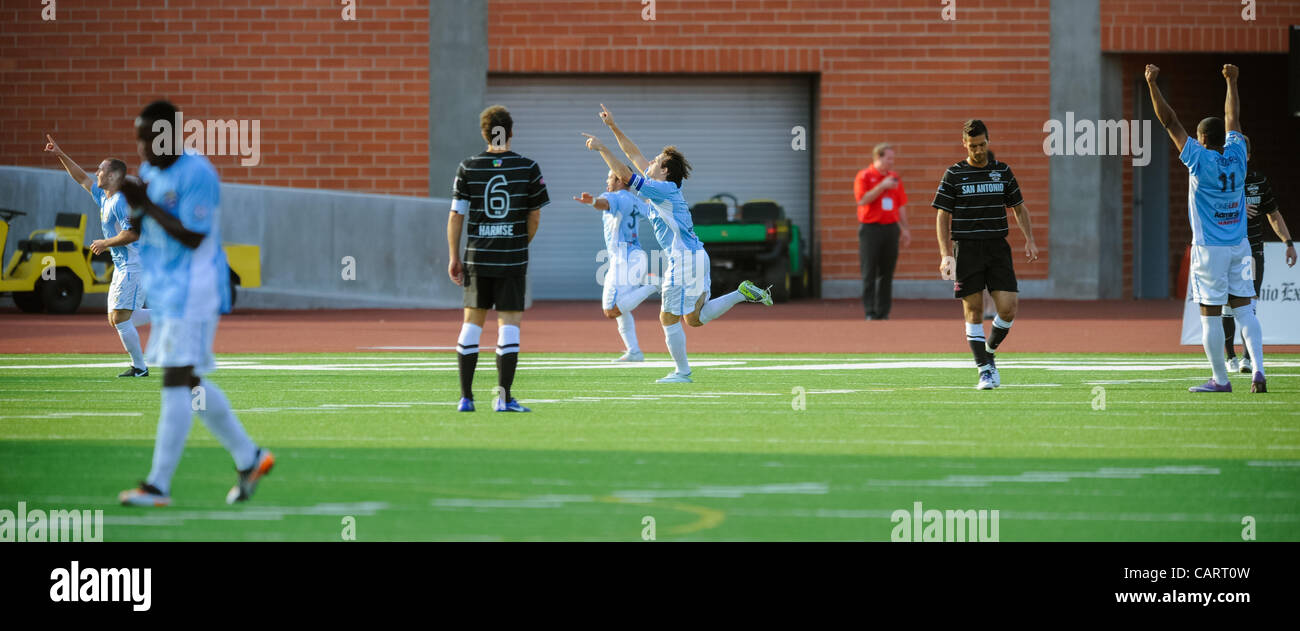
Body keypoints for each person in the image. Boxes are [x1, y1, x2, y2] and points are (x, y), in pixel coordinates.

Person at [117, 100, 274, 506]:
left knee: (174, 378)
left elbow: (193, 235)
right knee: (189, 383)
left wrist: (146, 203)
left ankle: (158, 486)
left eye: (149, 138)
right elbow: (141, 224)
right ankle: (249, 456)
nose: (142, 148)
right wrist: (135, 203)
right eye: (139, 139)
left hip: (195, 289)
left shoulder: (198, 172)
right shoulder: (151, 171)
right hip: (169, 290)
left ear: (170, 135)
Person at [582, 104, 772, 383]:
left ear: (666, 169)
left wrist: (601, 149)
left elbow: (624, 174)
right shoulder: (666, 187)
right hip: (697, 256)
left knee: (667, 317)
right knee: (694, 319)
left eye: (656, 160)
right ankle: (741, 293)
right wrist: (612, 126)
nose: (650, 162)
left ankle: (682, 372)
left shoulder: (661, 189)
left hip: (683, 260)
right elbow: (633, 154)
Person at [1146, 63, 1265, 393]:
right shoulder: (1239, 153)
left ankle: (1220, 379)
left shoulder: (1198, 159)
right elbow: (1234, 119)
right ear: (1224, 139)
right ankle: (1258, 371)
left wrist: (1152, 83)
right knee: (1245, 310)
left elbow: (1169, 121)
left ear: (1200, 139)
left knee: (1210, 315)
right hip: (1240, 245)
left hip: (1209, 249)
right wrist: (1232, 82)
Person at [448, 105, 548, 412]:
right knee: (509, 326)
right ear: (511, 132)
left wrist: (454, 256)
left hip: (477, 258)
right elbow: (534, 218)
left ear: (484, 133)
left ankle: (466, 398)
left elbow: (455, 215)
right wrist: (517, 243)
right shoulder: (528, 168)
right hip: (511, 260)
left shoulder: (468, 167)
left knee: (472, 324)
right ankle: (503, 399)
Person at [932, 119, 1039, 390]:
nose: (978, 150)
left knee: (1008, 307)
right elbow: (942, 216)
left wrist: (1029, 239)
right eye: (973, 146)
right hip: (966, 248)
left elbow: (1019, 207)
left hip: (997, 247)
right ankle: (985, 370)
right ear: (964, 144)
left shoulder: (1002, 171)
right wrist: (946, 255)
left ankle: (989, 351)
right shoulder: (953, 174)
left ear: (988, 141)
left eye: (982, 144)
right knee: (974, 309)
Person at [44, 135, 152, 377]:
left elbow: (133, 233)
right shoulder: (104, 197)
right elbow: (81, 177)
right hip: (122, 264)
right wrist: (60, 153)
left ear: (113, 176)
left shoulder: (122, 202)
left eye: (101, 169)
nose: (96, 172)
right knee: (117, 319)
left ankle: (140, 368)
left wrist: (105, 243)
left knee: (120, 318)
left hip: (133, 265)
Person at [1223, 134, 1296, 374]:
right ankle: (1230, 356)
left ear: (1248, 156)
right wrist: (1236, 207)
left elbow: (1273, 214)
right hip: (1224, 250)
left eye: (1241, 152)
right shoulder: (1221, 181)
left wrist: (1287, 242)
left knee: (1249, 304)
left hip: (1252, 252)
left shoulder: (1259, 181)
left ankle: (1246, 357)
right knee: (1225, 305)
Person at [574, 168, 659, 361]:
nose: (607, 181)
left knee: (611, 309)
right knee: (621, 308)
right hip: (635, 256)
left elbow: (604, 203)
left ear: (621, 180)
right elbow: (650, 210)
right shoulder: (635, 199)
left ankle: (654, 285)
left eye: (611, 177)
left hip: (624, 258)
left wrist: (593, 201)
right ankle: (634, 351)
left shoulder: (617, 196)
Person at [854, 142, 910, 319]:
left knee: (887, 273)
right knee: (869, 271)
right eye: (888, 158)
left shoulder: (895, 178)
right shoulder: (864, 176)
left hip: (891, 229)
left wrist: (905, 229)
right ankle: (870, 311)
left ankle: (883, 312)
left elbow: (901, 206)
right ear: (878, 157)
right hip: (871, 229)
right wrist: (881, 186)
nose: (891, 162)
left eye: (893, 158)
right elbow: (862, 200)